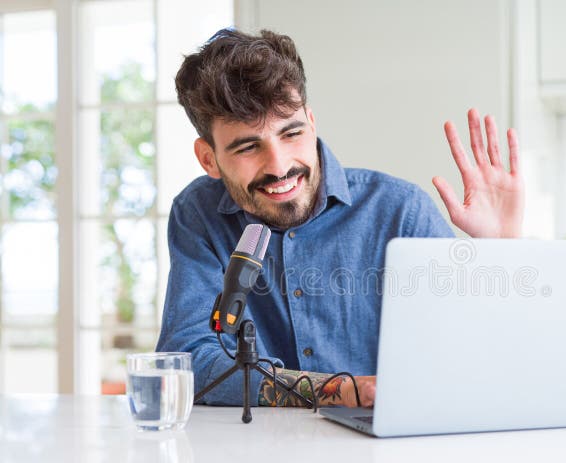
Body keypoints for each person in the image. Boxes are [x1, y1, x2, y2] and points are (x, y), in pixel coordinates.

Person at [155, 28, 524, 408]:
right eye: (249, 147)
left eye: (292, 133)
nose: (280, 166)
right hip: (254, 457)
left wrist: (500, 251)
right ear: (208, 159)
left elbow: (485, 354)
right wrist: (337, 391)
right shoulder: (198, 213)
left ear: (311, 122)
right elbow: (188, 362)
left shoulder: (400, 211)